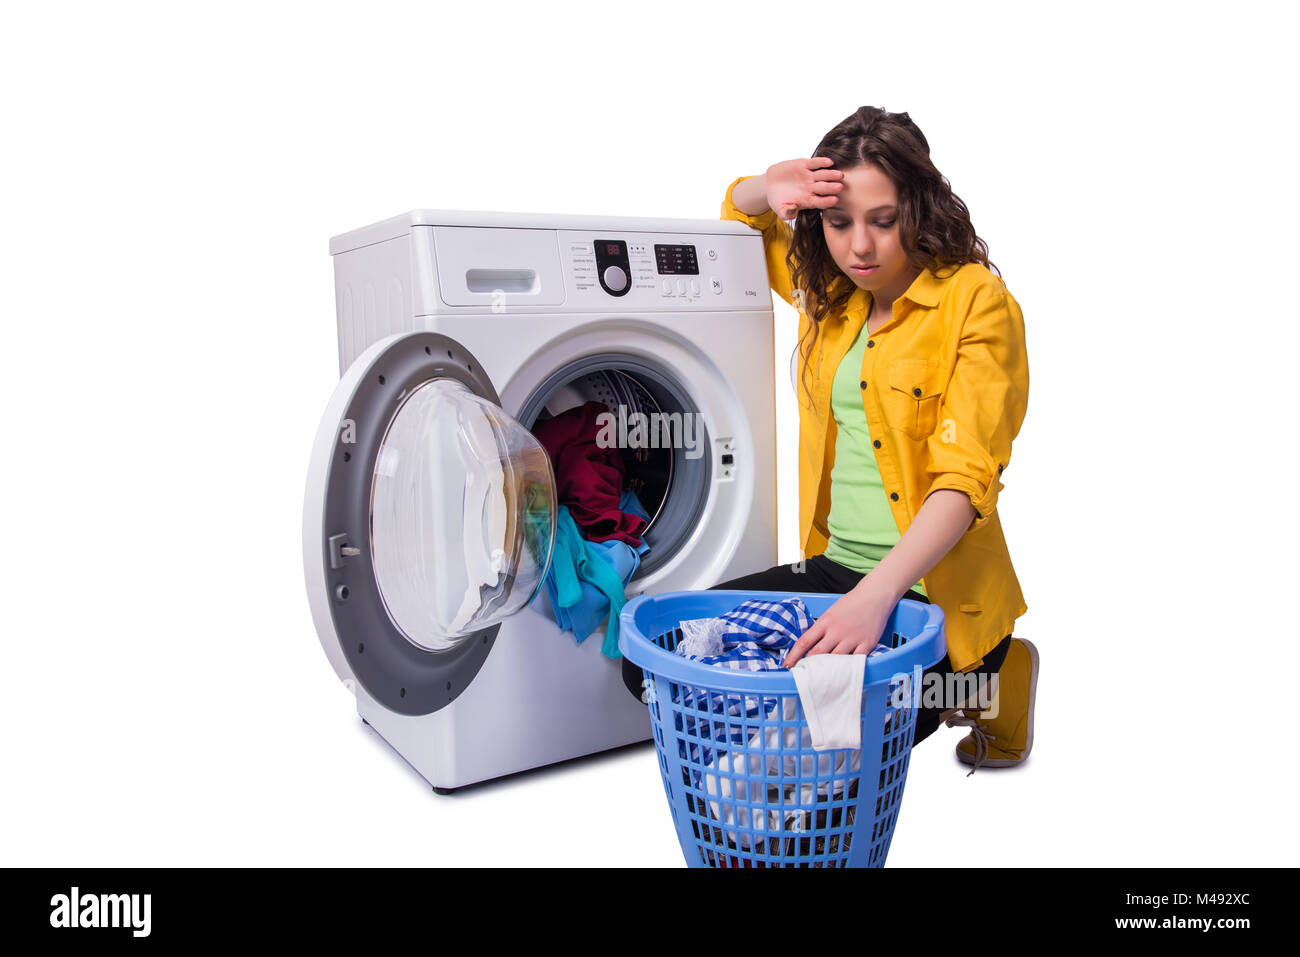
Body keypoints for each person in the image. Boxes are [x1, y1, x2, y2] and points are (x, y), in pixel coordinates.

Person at [621, 106, 1038, 773]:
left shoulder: (976, 302)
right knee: (653, 665)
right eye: (839, 223)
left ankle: (993, 673)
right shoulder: (832, 297)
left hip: (929, 593)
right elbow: (742, 227)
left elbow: (965, 479)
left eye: (883, 220)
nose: (860, 248)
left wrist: (875, 600)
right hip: (834, 573)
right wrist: (768, 181)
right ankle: (792, 727)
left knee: (839, 752)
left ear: (920, 209)